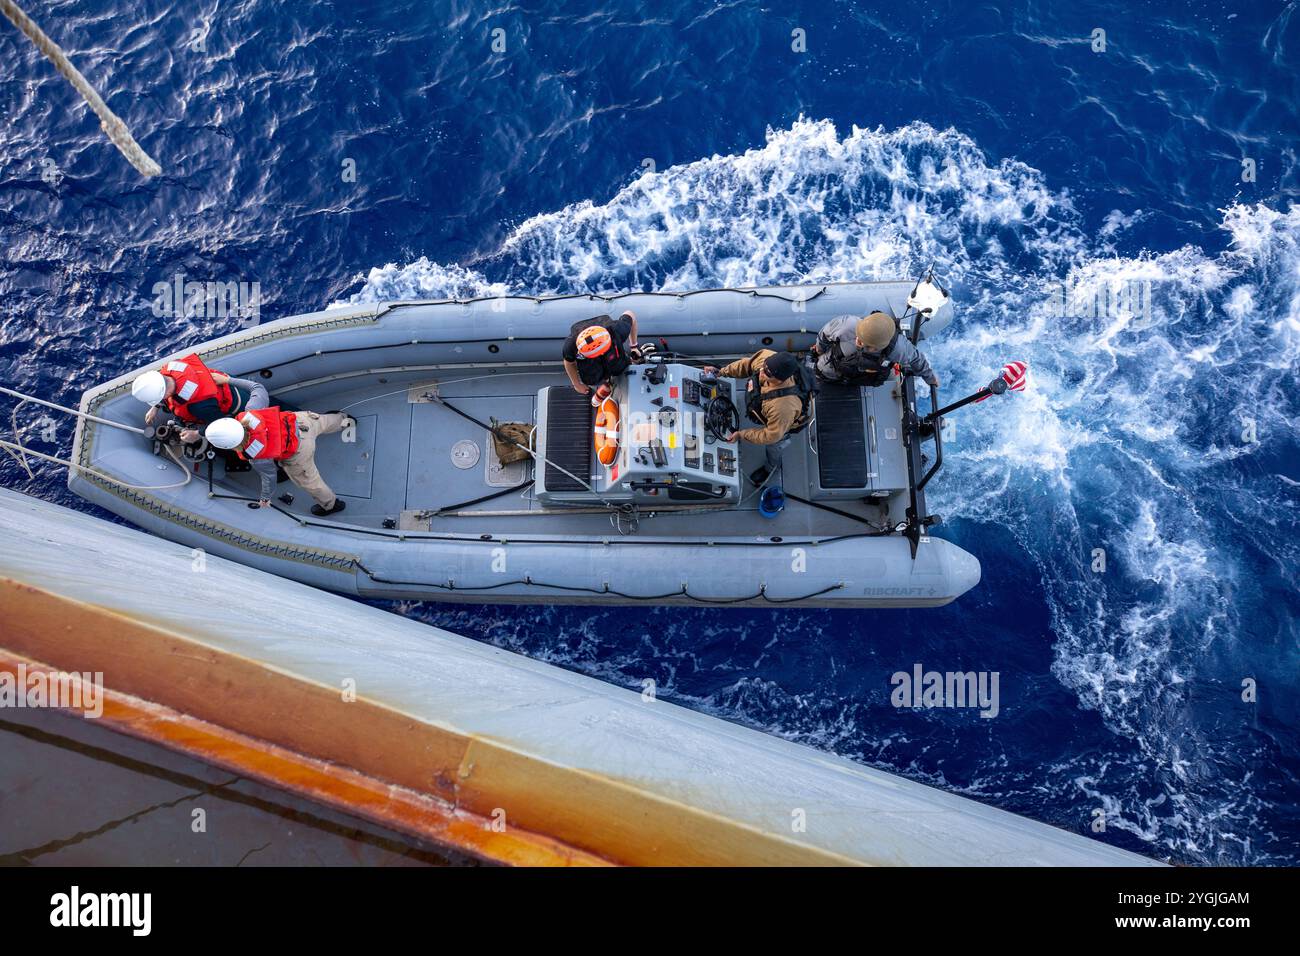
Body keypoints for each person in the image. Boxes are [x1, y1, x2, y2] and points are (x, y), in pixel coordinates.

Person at [205, 407, 353, 516]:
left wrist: (265, 498)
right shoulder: (250, 410)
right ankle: (345, 420)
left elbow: (269, 478)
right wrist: (228, 380)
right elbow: (257, 389)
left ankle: (331, 505)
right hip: (301, 421)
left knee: (311, 482)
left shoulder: (255, 457)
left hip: (299, 452)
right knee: (322, 421)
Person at [702, 350, 811, 487]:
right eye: (764, 367)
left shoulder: (783, 408)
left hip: (781, 426)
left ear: (780, 379)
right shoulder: (767, 360)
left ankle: (771, 468)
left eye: (768, 374)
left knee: (774, 446)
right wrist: (721, 372)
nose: (761, 373)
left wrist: (741, 434)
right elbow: (746, 365)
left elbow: (771, 436)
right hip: (765, 405)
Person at [130, 353, 269, 444]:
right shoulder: (173, 368)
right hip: (228, 386)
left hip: (240, 407)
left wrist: (196, 434)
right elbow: (166, 389)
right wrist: (156, 407)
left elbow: (221, 424)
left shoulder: (198, 405)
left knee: (265, 427)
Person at [811, 312, 941, 389]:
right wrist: (819, 350)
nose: (859, 341)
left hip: (870, 370)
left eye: (864, 342)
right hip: (841, 363)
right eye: (859, 337)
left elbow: (917, 359)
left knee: (876, 378)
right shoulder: (847, 326)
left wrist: (931, 379)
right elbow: (824, 336)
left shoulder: (899, 349)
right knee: (823, 369)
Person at [561, 310, 639, 401]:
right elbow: (568, 362)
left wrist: (634, 346)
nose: (601, 354)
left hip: (615, 359)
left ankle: (613, 381)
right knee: (592, 379)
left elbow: (630, 314)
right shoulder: (570, 345)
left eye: (602, 352)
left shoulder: (617, 329)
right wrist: (577, 384)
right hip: (591, 367)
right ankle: (605, 385)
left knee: (620, 366)